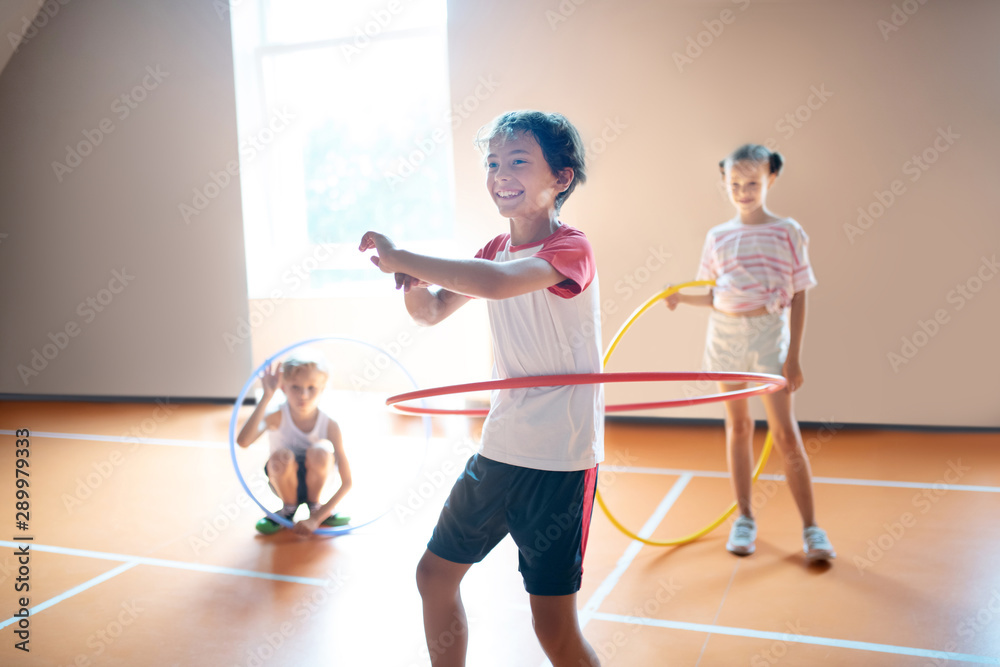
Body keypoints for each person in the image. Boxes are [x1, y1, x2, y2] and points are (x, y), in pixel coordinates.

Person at [360, 110, 603, 666]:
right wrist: (413, 282)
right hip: (500, 447)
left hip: (560, 459)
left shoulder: (571, 249)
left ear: (560, 178)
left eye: (519, 161)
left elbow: (495, 287)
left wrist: (403, 256)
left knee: (553, 629)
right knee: (434, 576)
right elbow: (432, 312)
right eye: (493, 163)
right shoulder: (495, 246)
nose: (501, 174)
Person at [665, 143, 835, 562]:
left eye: (752, 183)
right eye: (735, 183)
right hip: (724, 336)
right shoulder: (718, 237)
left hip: (767, 337)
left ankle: (812, 529)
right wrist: (682, 299)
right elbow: (718, 295)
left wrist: (793, 356)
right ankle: (744, 518)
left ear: (770, 179)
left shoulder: (787, 231)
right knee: (738, 427)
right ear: (725, 182)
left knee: (784, 433)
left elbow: (799, 295)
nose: (743, 190)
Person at [236, 356, 352, 535]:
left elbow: (347, 482)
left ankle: (317, 507)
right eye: (295, 387)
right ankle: (288, 509)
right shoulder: (276, 416)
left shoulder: (330, 425)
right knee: (282, 457)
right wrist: (267, 396)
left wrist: (316, 519)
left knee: (320, 452)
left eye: (311, 388)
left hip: (318, 481)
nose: (303, 395)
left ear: (322, 389)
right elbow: (243, 441)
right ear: (284, 387)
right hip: (284, 482)